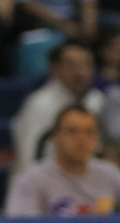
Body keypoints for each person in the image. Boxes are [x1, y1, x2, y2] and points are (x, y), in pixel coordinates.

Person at [5, 105, 120, 217]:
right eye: (72, 131)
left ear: (97, 138)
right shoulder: (31, 178)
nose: (81, 139)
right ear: (55, 137)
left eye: (89, 132)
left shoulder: (109, 172)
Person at [12, 43, 105, 174]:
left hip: (85, 180)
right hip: (43, 184)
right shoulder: (39, 104)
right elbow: (29, 158)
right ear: (54, 68)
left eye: (87, 65)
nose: (81, 72)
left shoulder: (97, 100)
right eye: (72, 65)